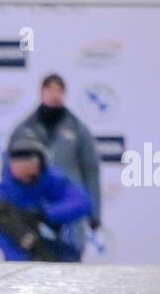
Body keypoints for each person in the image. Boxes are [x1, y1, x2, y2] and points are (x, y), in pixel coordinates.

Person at [7, 74, 101, 258]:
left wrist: (95, 212)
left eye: (59, 90)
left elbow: (91, 170)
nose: (54, 94)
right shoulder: (24, 128)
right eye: (49, 89)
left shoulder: (78, 129)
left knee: (69, 257)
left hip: (66, 205)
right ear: (41, 92)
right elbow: (9, 171)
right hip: (30, 206)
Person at [0, 134, 93, 263]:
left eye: (28, 162)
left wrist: (46, 214)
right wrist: (24, 263)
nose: (22, 168)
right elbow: (4, 240)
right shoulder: (4, 195)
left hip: (57, 250)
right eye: (17, 162)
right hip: (25, 255)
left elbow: (82, 201)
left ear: (40, 163)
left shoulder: (50, 179)